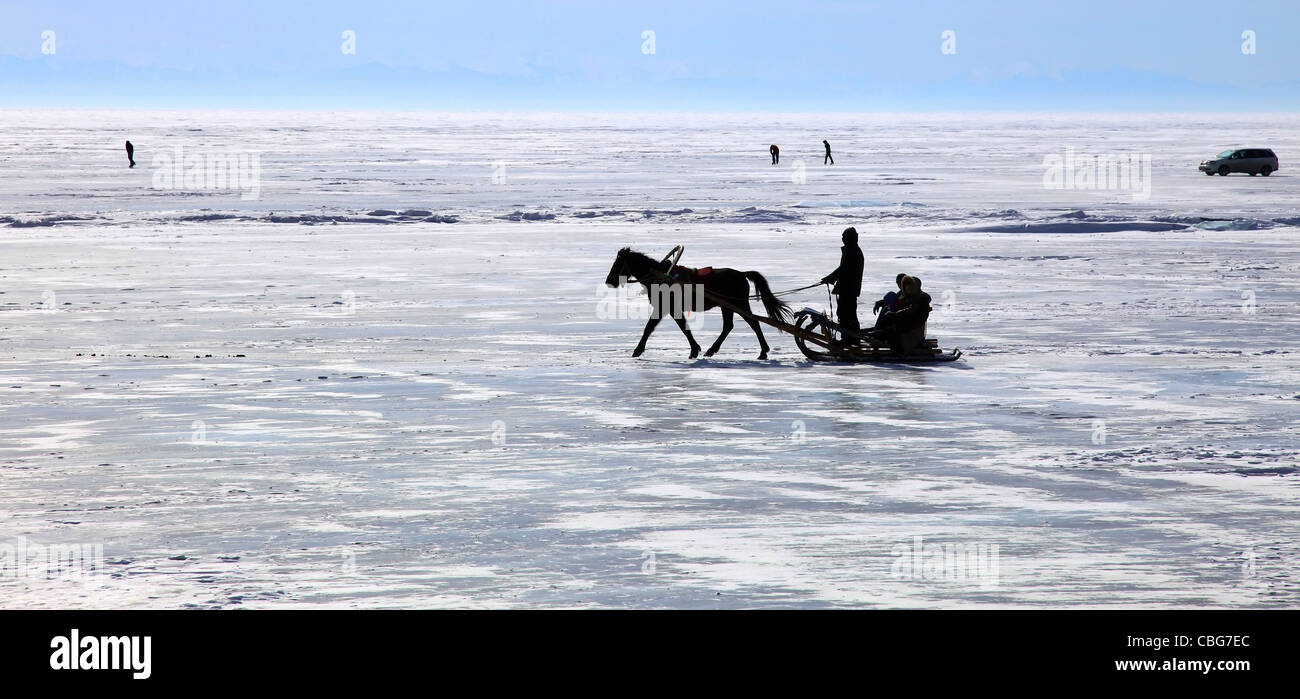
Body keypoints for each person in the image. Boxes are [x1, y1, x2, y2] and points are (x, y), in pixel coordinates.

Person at [820, 227, 864, 333]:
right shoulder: (851, 249)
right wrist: (830, 278)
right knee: (846, 313)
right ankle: (849, 337)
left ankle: (850, 338)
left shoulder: (852, 251)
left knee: (846, 314)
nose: (843, 239)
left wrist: (829, 278)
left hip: (849, 288)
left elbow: (844, 269)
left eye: (844, 237)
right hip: (848, 288)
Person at [874, 275, 931, 354]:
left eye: (910, 285)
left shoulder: (921, 298)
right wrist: (882, 303)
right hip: (905, 325)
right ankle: (877, 332)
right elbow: (899, 302)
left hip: (911, 332)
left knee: (888, 325)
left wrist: (895, 315)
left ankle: (878, 335)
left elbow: (911, 312)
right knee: (887, 307)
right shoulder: (906, 295)